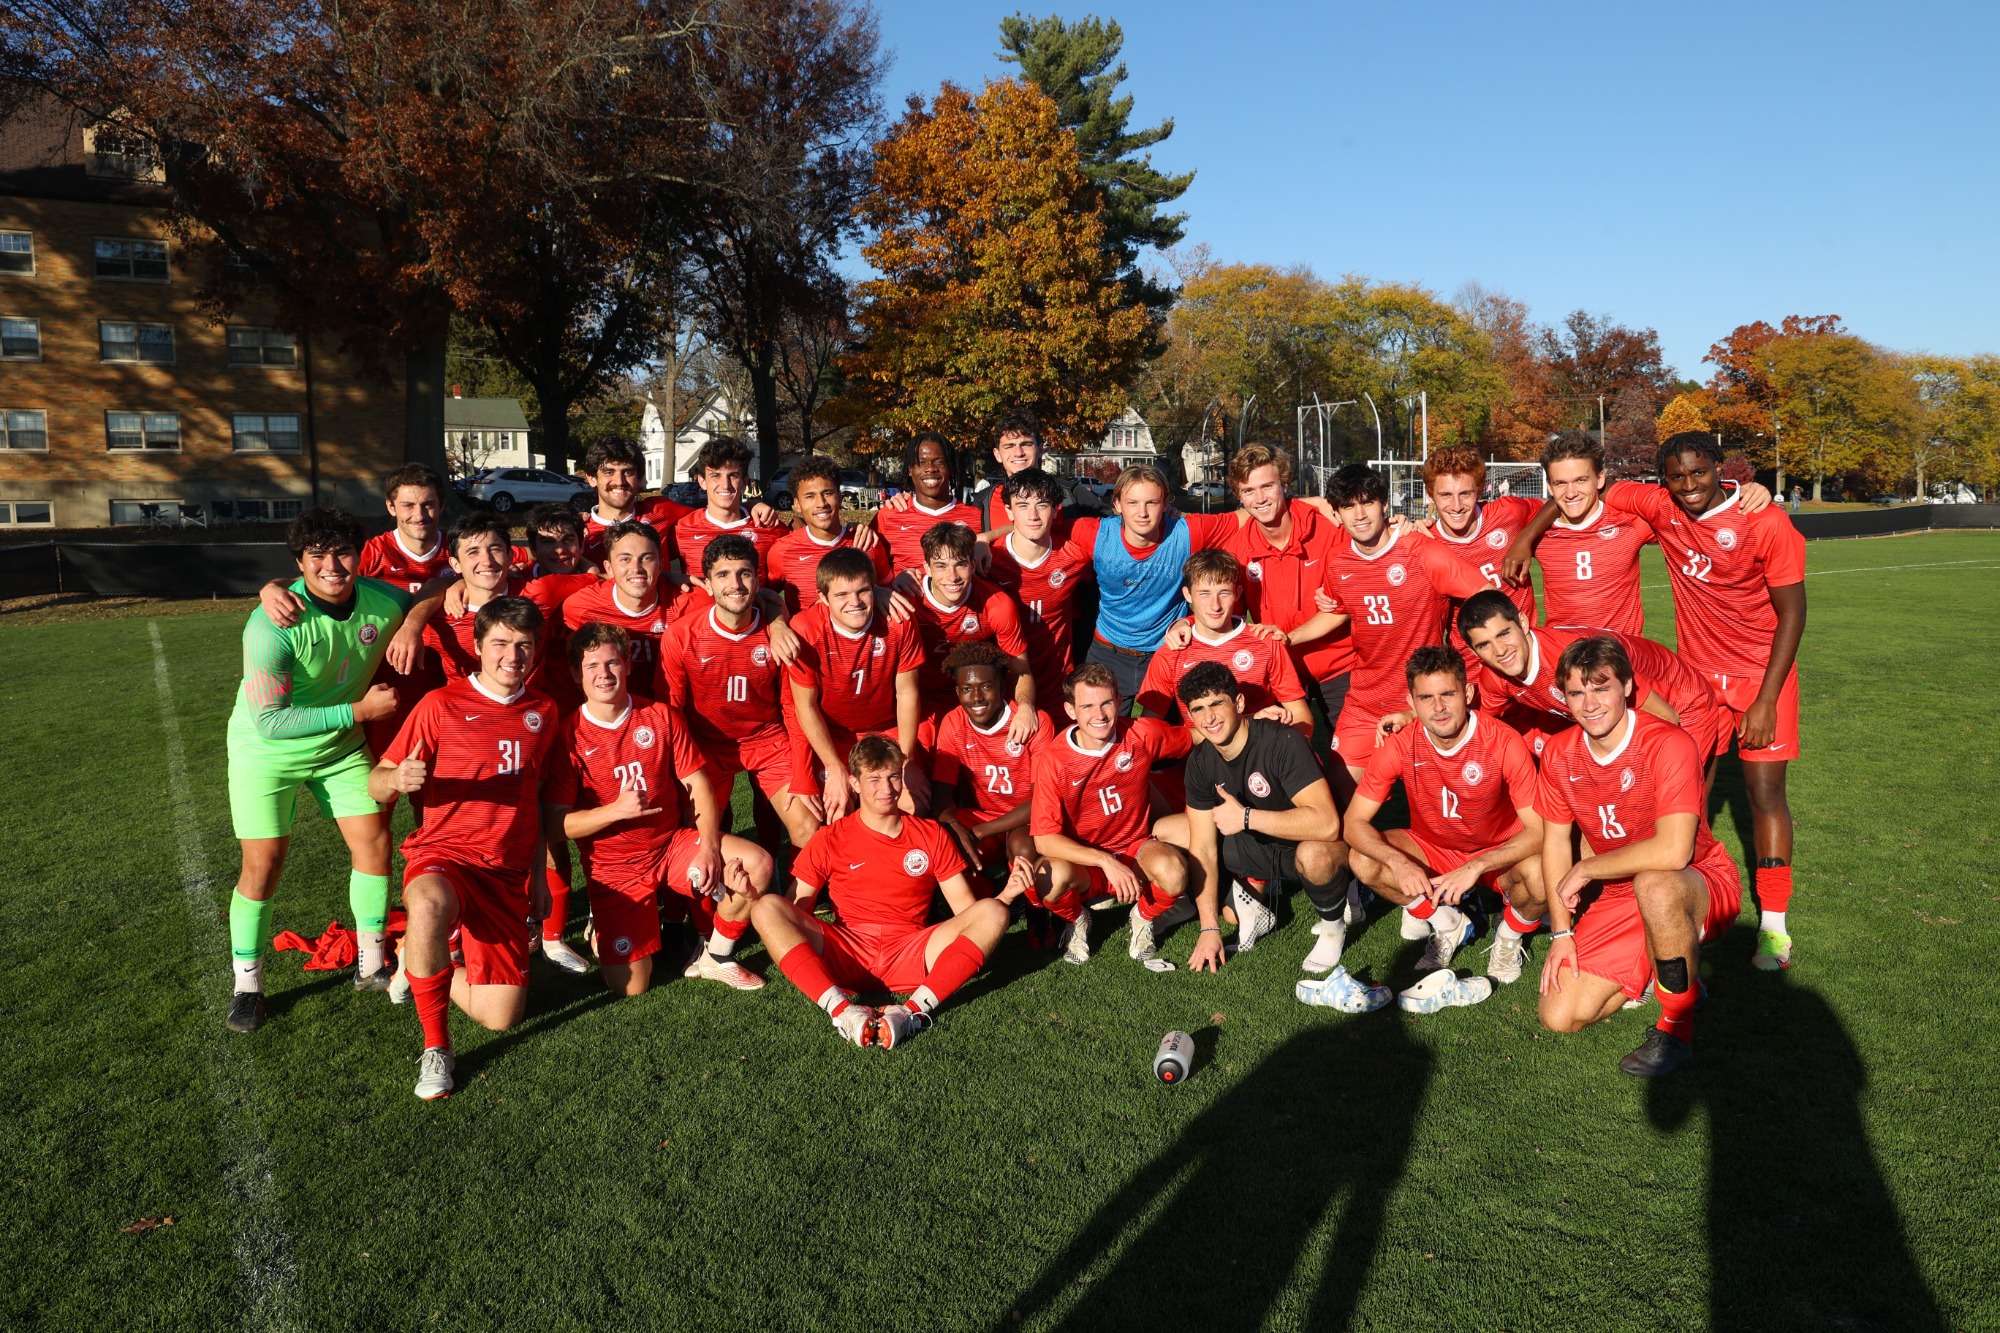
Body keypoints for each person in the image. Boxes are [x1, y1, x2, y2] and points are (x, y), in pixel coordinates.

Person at [1507, 434, 1803, 970]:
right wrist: (1529, 532)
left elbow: (1794, 613)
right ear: (1662, 479)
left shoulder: (1760, 519)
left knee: (1763, 793)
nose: (1688, 486)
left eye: (1701, 473)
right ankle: (1667, 910)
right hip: (1693, 679)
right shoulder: (1654, 504)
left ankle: (1773, 927)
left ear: (1719, 468)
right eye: (1676, 476)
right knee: (1679, 803)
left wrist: (1766, 698)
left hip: (1751, 678)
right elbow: (1578, 491)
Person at [224, 507, 438, 1032]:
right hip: (266, 754)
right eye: (316, 555)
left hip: (339, 750)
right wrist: (359, 712)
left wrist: (413, 620)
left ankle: (371, 960)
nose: (332, 565)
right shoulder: (270, 624)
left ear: (360, 554)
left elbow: (440, 581)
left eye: (342, 551)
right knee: (264, 865)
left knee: (374, 842)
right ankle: (246, 984)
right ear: (300, 563)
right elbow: (271, 722)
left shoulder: (382, 600)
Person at [369, 597, 560, 1099]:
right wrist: (396, 778)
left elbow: (537, 798)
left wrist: (538, 877)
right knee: (429, 903)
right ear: (477, 646)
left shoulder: (544, 710)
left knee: (500, 1018)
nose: (511, 655)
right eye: (499, 643)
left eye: (523, 645)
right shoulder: (439, 704)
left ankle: (420, 953)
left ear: (536, 651)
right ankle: (437, 1049)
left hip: (505, 875)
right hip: (445, 855)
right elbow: (375, 782)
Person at [1532, 635, 1743, 1078]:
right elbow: (1554, 843)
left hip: (1696, 879)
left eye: (1601, 687)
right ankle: (1664, 963)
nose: (1590, 703)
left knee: (1655, 883)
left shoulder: (1668, 743)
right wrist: (1560, 933)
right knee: (1560, 1015)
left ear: (1628, 686)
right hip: (1619, 894)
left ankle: (1676, 1027)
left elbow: (1674, 850)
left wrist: (1587, 866)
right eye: (1576, 692)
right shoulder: (1558, 752)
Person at [750, 736, 1029, 1048]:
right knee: (767, 908)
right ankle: (843, 1011)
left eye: (893, 776)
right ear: (854, 783)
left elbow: (965, 911)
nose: (886, 789)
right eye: (874, 779)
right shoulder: (830, 837)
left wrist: (1005, 896)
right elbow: (795, 911)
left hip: (913, 952)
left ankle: (911, 1013)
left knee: (994, 911)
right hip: (847, 952)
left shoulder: (931, 834)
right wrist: (754, 898)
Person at [546, 622, 772, 996]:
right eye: (592, 666)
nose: (604, 674)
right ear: (575, 673)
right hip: (616, 868)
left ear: (628, 665)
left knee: (759, 866)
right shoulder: (568, 737)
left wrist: (709, 847)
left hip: (670, 846)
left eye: (612, 663)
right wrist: (615, 811)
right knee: (632, 986)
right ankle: (610, 928)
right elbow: (556, 824)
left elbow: (698, 783)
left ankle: (715, 956)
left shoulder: (659, 716)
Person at [1345, 647, 1547, 1009]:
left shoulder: (1503, 741)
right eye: (1426, 697)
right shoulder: (1400, 744)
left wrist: (1477, 866)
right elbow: (1353, 823)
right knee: (1365, 858)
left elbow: (1539, 830)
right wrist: (1400, 862)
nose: (1438, 707)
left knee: (1542, 873)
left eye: (1447, 694)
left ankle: (1508, 935)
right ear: (1411, 701)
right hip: (1435, 848)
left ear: (1467, 694)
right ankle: (1449, 922)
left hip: (1498, 853)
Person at [1151, 662, 1357, 986]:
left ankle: (1333, 923)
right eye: (1198, 709)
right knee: (1168, 830)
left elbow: (1328, 824)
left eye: (1217, 703)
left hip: (1304, 845)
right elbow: (1203, 848)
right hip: (1256, 846)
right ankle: (1244, 895)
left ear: (1239, 704)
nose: (1209, 717)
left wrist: (1246, 817)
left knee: (1315, 858)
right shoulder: (1201, 762)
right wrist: (1209, 928)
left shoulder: (1281, 742)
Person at [1287, 464, 1491, 786]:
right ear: (1337, 515)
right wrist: (1288, 638)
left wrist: (1472, 654)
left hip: (1423, 698)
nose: (1360, 514)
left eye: (1367, 502)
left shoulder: (1421, 551)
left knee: (1438, 802)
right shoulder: (1337, 560)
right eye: (1349, 506)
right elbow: (1339, 610)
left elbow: (1485, 595)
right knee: (1339, 793)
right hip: (1365, 698)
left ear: (1384, 504)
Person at [659, 533, 822, 853]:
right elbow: (672, 710)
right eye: (722, 575)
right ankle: (724, 899)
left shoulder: (780, 637)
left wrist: (803, 777)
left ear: (758, 579)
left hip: (768, 741)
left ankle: (795, 902)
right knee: (699, 837)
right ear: (707, 583)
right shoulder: (681, 635)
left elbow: (793, 708)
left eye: (744, 573)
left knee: (809, 827)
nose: (735, 583)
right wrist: (680, 770)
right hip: (706, 745)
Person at [1029, 664, 1195, 970]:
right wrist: (1105, 861)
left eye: (1106, 702)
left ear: (1119, 700)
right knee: (1048, 879)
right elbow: (1043, 839)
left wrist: (1253, 720)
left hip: (1135, 848)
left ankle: (1143, 916)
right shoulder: (1053, 760)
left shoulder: (1140, 733)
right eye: (1087, 706)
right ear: (1070, 709)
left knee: (1174, 872)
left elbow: (1195, 735)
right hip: (1086, 861)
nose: (1100, 714)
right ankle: (1078, 918)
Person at [1452, 589, 1728, 764]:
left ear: (1523, 623)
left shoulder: (1574, 660)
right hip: (1624, 705)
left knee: (1664, 811)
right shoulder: (1496, 677)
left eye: (1504, 634)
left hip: (1681, 700)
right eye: (1484, 645)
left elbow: (1667, 718)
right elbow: (1480, 727)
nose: (1500, 651)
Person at [782, 547, 926, 821]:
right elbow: (806, 706)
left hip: (885, 728)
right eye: (842, 595)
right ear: (823, 599)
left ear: (875, 588)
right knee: (835, 811)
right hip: (834, 735)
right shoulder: (806, 629)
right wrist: (834, 767)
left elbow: (907, 692)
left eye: (862, 591)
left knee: (910, 805)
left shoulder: (898, 622)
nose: (855, 602)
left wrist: (905, 761)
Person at [1220, 444, 1357, 730]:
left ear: (1284, 484)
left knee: (1352, 763)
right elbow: (1230, 619)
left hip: (1340, 665)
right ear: (1239, 496)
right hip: (1281, 672)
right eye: (1248, 491)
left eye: (1267, 486)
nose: (1259, 499)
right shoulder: (1237, 550)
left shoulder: (1329, 527)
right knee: (1287, 764)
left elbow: (1349, 602)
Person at [1141, 550, 1310, 732]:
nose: (1215, 605)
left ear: (1237, 593)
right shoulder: (1170, 653)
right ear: (1187, 595)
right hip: (1200, 755)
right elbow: (1150, 726)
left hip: (1261, 752)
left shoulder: (1265, 642)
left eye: (1224, 593)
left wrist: (1291, 755)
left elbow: (1300, 714)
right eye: (1204, 593)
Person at [928, 641, 1054, 885]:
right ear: (957, 692)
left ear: (1002, 686)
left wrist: (981, 831)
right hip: (982, 816)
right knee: (944, 840)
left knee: (1022, 849)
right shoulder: (953, 723)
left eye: (985, 686)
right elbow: (942, 794)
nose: (976, 697)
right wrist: (954, 825)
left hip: (1026, 818)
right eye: (966, 688)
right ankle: (984, 898)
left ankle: (1038, 918)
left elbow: (1042, 799)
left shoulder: (1034, 723)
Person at [357, 463, 452, 761]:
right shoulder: (371, 553)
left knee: (437, 791)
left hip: (446, 687)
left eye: (428, 504)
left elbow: (526, 555)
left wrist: (586, 564)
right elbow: (318, 579)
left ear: (442, 505)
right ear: (390, 506)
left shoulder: (464, 549)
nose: (419, 515)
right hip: (388, 687)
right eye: (408, 505)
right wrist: (273, 587)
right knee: (384, 782)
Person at [906, 520, 1036, 731]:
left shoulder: (997, 604)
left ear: (973, 565)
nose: (952, 576)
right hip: (921, 699)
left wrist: (1025, 707)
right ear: (927, 568)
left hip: (976, 699)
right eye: (941, 566)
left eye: (960, 564)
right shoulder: (907, 600)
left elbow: (1021, 670)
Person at [1525, 432, 1656, 635]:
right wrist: (1523, 540)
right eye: (1560, 483)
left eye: (1581, 480)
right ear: (1549, 486)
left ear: (1600, 478)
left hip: (1620, 657)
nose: (1570, 493)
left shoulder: (1630, 523)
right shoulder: (1538, 535)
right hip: (1564, 657)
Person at [981, 467, 1096, 697]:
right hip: (1002, 684)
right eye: (1023, 506)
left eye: (1042, 504)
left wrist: (1169, 514)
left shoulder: (1075, 556)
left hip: (1058, 682)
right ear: (1009, 511)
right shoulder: (988, 560)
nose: (1033, 515)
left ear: (1055, 510)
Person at [1418, 446, 1541, 640]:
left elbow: (1558, 504)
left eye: (1465, 493)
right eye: (1446, 495)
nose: (1457, 506)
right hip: (1470, 664)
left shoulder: (1509, 513)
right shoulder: (1426, 543)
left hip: (1526, 652)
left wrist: (1525, 539)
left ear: (1480, 489)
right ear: (1430, 494)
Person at [562, 519, 693, 696]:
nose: (636, 568)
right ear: (609, 568)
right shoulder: (580, 607)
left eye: (647, 558)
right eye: (625, 559)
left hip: (668, 710)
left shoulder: (688, 603)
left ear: (661, 564)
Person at [767, 454, 891, 613]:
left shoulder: (867, 542)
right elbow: (766, 598)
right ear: (797, 505)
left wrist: (879, 590)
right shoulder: (782, 551)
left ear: (839, 497)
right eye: (810, 496)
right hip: (806, 637)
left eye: (827, 493)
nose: (821, 503)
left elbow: (888, 592)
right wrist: (779, 624)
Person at [668, 435, 789, 586]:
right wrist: (670, 578)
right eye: (716, 476)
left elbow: (807, 543)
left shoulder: (768, 525)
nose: (725, 485)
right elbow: (648, 566)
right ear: (702, 481)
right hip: (699, 609)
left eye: (733, 475)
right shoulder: (681, 529)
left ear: (745, 481)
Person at [425, 513, 530, 680]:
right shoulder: (436, 617)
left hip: (529, 705)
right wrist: (411, 626)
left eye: (495, 549)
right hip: (459, 705)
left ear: (510, 556)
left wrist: (584, 563)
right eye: (473, 552)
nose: (487, 561)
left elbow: (549, 552)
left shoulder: (537, 594)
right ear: (455, 564)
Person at [969, 405, 1107, 531]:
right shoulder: (983, 501)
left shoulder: (1072, 494)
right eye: (1009, 446)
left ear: (1040, 449)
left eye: (1026, 444)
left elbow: (1113, 533)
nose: (1018, 453)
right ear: (997, 454)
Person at [869, 433, 982, 574]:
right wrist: (888, 586)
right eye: (921, 462)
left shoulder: (977, 517)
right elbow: (865, 570)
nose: (930, 468)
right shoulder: (888, 515)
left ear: (951, 468)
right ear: (910, 469)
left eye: (939, 462)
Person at [578, 438, 695, 565]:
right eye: (609, 472)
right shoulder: (578, 533)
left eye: (628, 472)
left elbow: (711, 518)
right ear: (591, 479)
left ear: (640, 479)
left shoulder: (660, 510)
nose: (619, 481)